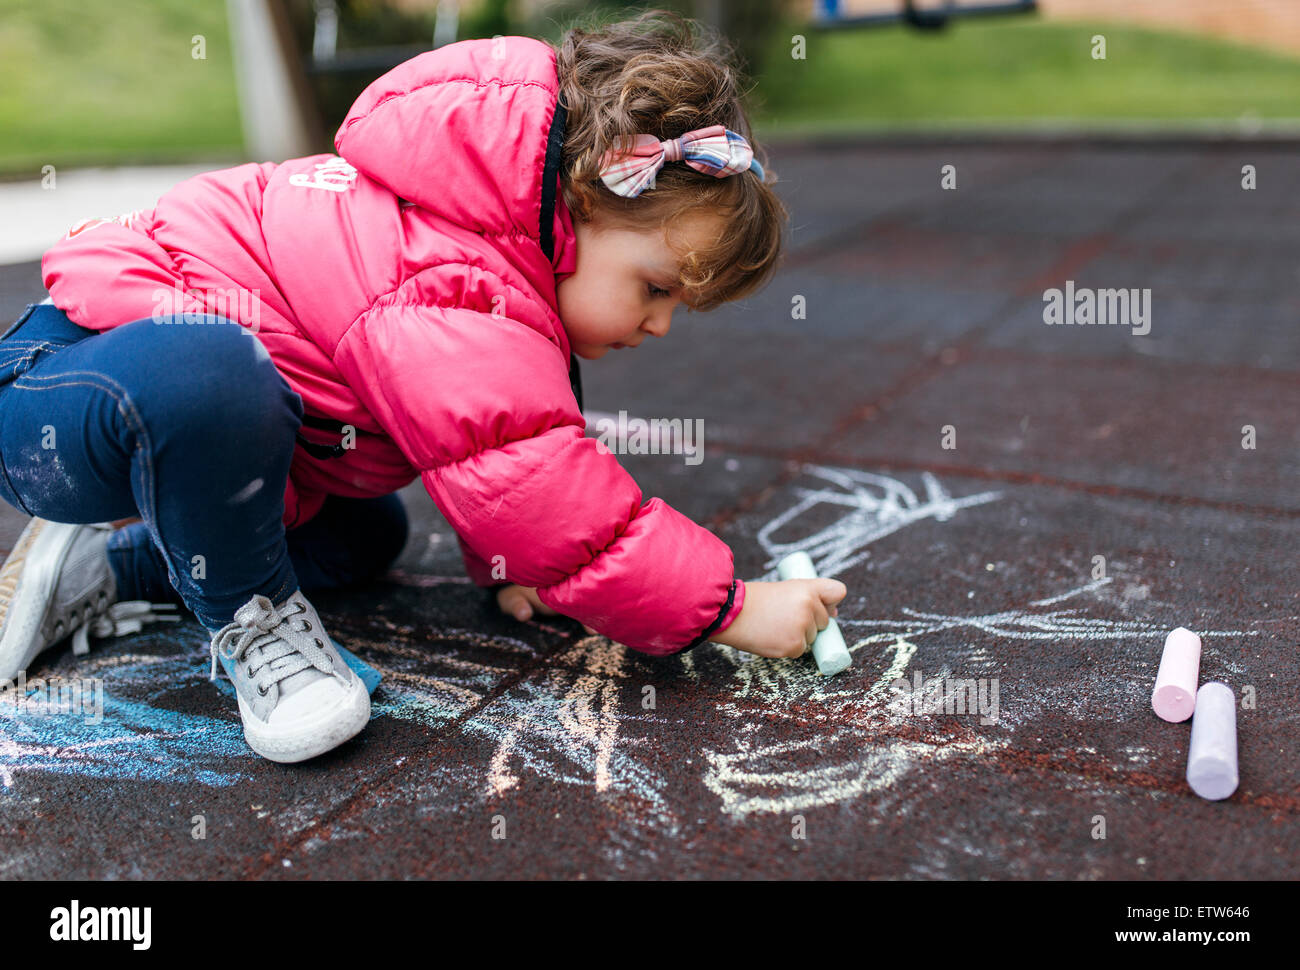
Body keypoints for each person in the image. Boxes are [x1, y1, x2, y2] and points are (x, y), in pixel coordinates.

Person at [0, 8, 846, 764]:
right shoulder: (449, 276)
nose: (659, 323)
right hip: (65, 391)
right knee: (211, 371)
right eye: (657, 288)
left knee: (362, 538)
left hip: (174, 411)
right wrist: (728, 609)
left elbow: (506, 446)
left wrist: (519, 568)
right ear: (577, 206)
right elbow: (543, 489)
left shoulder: (503, 269)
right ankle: (253, 621)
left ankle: (106, 568)